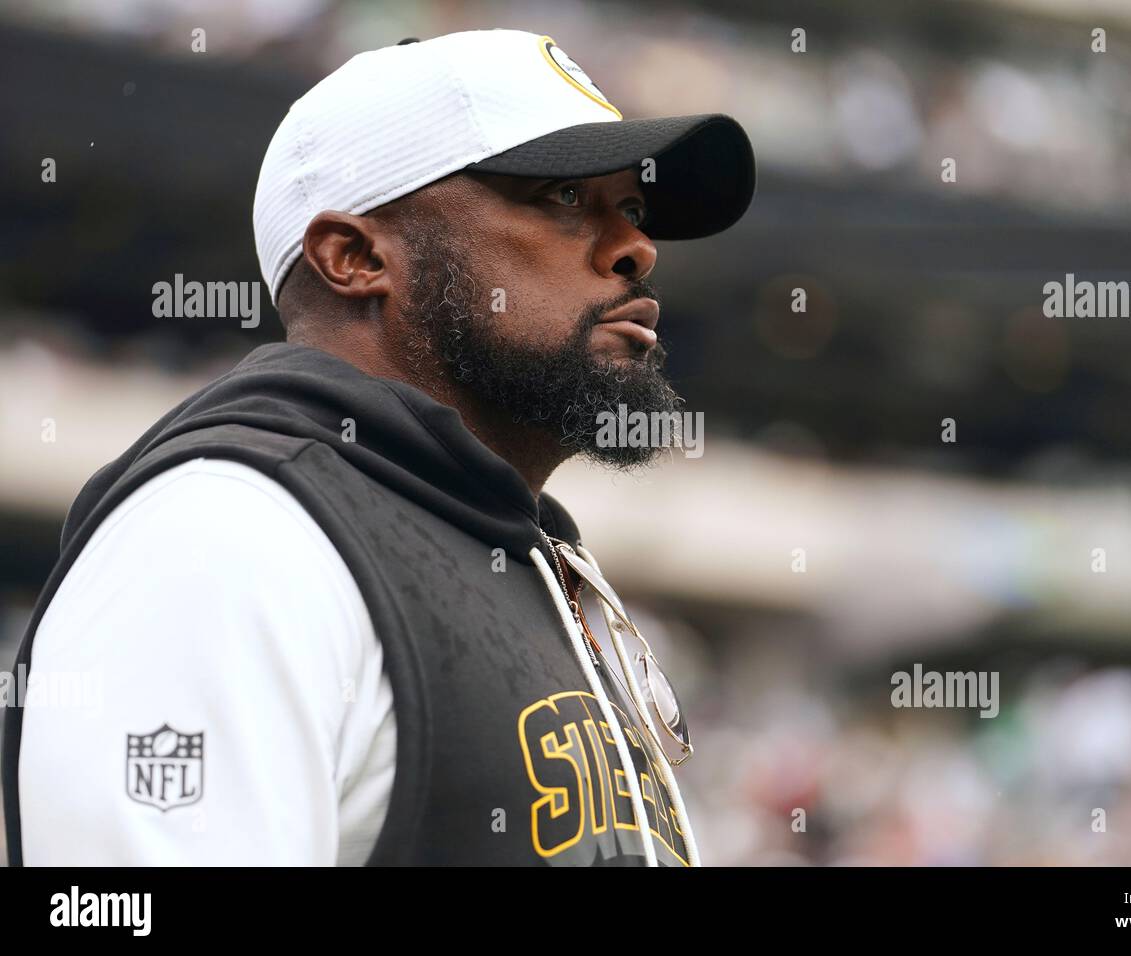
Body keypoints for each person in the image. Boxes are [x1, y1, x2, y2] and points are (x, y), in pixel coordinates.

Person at [2, 28, 754, 866]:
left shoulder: (516, 551)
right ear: (354, 257)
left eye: (634, 210)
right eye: (565, 197)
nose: (637, 249)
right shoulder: (228, 534)